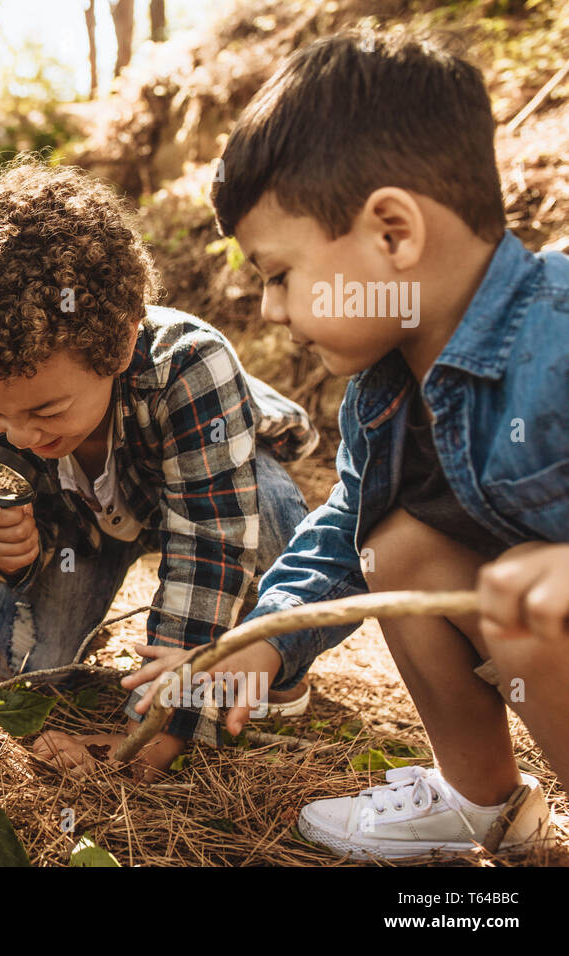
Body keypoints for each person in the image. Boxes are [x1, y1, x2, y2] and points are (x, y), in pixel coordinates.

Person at [130, 31, 565, 858]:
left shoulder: (558, 334)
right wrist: (263, 638)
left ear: (392, 234)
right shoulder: (381, 395)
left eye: (279, 272)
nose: (268, 310)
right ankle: (480, 802)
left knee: (529, 604)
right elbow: (338, 532)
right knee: (397, 546)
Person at [0, 159, 318, 782]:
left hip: (202, 488)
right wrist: (2, 550)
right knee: (4, 659)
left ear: (120, 343)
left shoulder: (190, 366)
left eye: (47, 409)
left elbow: (209, 542)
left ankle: (272, 659)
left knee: (277, 518)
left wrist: (164, 719)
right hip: (82, 530)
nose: (19, 434)